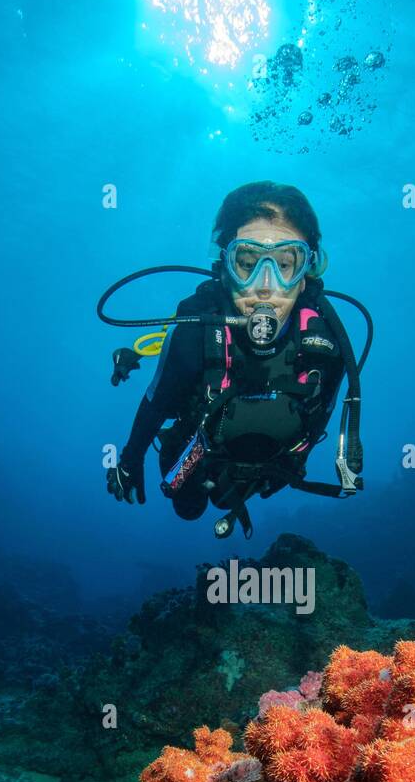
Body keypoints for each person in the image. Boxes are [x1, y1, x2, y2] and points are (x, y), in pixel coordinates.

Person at [107, 182, 347, 534]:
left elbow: (321, 414)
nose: (266, 286)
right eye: (247, 262)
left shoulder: (325, 343)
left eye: (285, 263)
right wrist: (129, 460)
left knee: (250, 491)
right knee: (187, 509)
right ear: (224, 265)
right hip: (202, 453)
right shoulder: (192, 335)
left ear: (308, 271)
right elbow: (156, 405)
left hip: (270, 464)